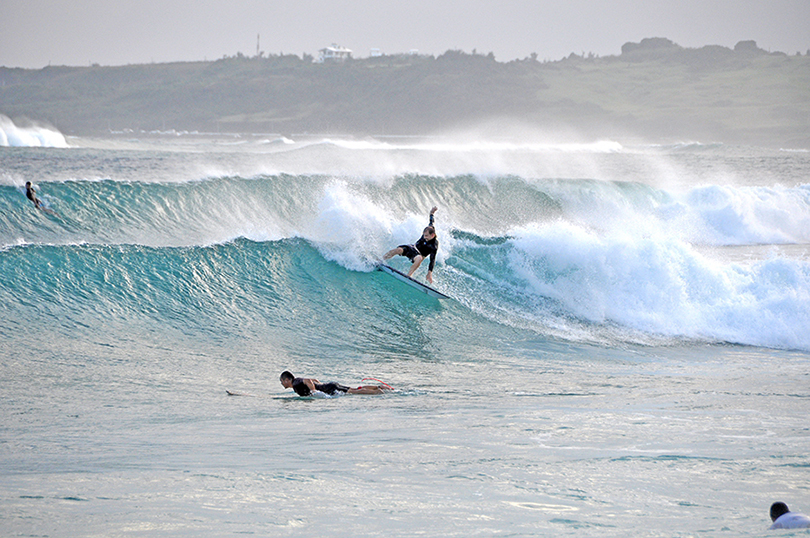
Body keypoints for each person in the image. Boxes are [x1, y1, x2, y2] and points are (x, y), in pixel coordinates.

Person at [383, 206, 439, 284]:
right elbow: (431, 221)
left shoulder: (434, 246)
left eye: (426, 236)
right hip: (412, 248)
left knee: (419, 258)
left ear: (432, 235)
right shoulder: (430, 229)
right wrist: (432, 213)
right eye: (424, 235)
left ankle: (409, 275)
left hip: (417, 256)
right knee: (398, 250)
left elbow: (432, 260)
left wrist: (429, 273)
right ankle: (381, 260)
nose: (424, 237)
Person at [279, 371, 388, 396]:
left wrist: (314, 391)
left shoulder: (296, 382)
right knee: (355, 389)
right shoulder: (296, 383)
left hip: (330, 388)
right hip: (329, 386)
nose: (281, 383)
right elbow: (315, 380)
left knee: (355, 392)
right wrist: (320, 386)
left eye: (282, 381)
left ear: (287, 380)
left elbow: (309, 380)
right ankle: (378, 387)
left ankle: (378, 392)